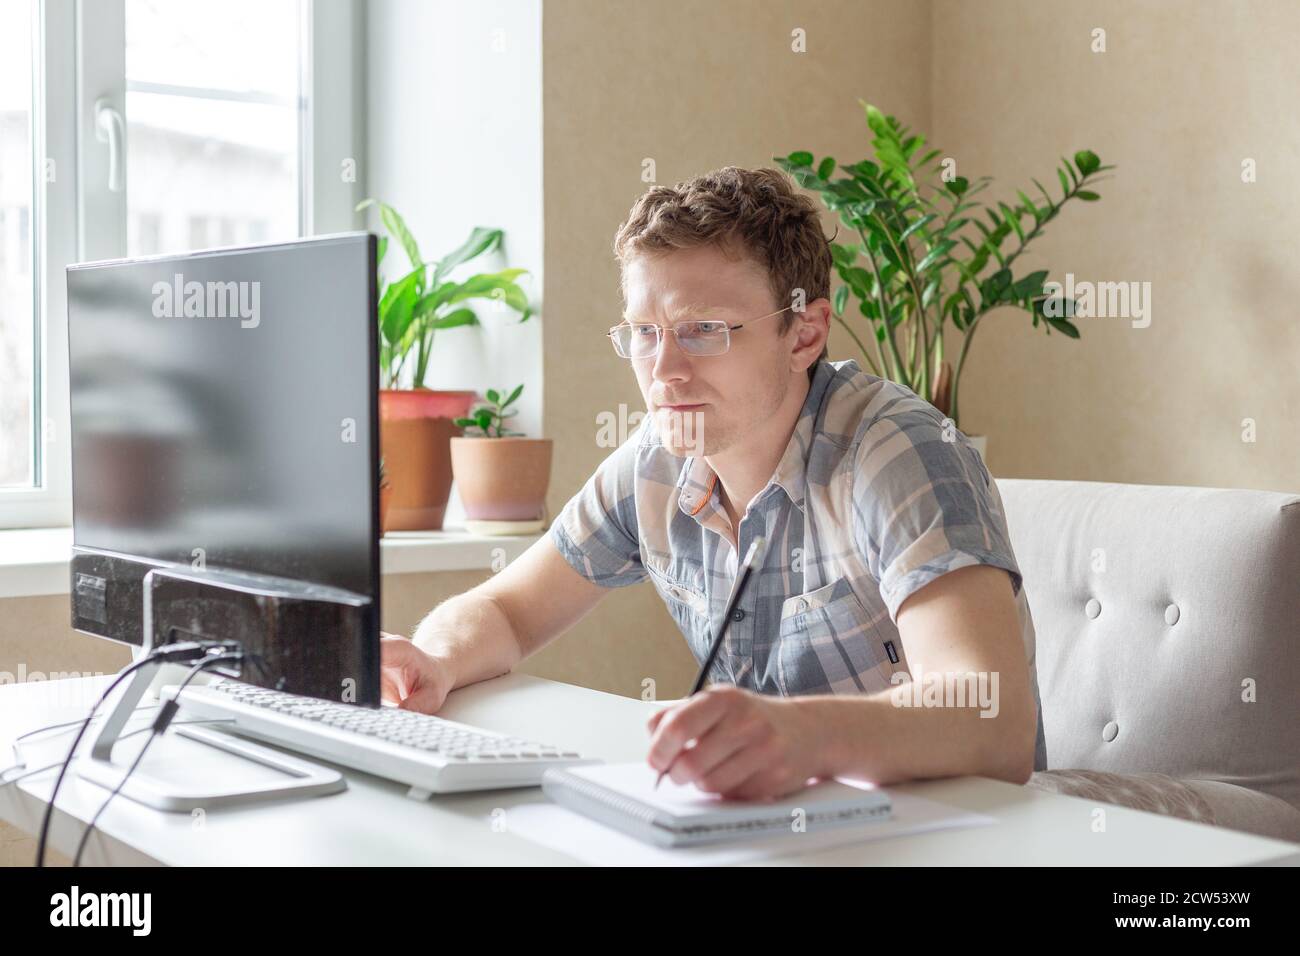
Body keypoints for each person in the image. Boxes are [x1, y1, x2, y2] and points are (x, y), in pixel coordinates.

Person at [380, 165, 1046, 800]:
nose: (664, 370)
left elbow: (991, 713)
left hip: (954, 831)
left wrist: (805, 735)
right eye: (645, 333)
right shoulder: (654, 465)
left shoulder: (898, 452)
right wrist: (434, 662)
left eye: (704, 331)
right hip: (779, 830)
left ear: (805, 334)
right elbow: (505, 612)